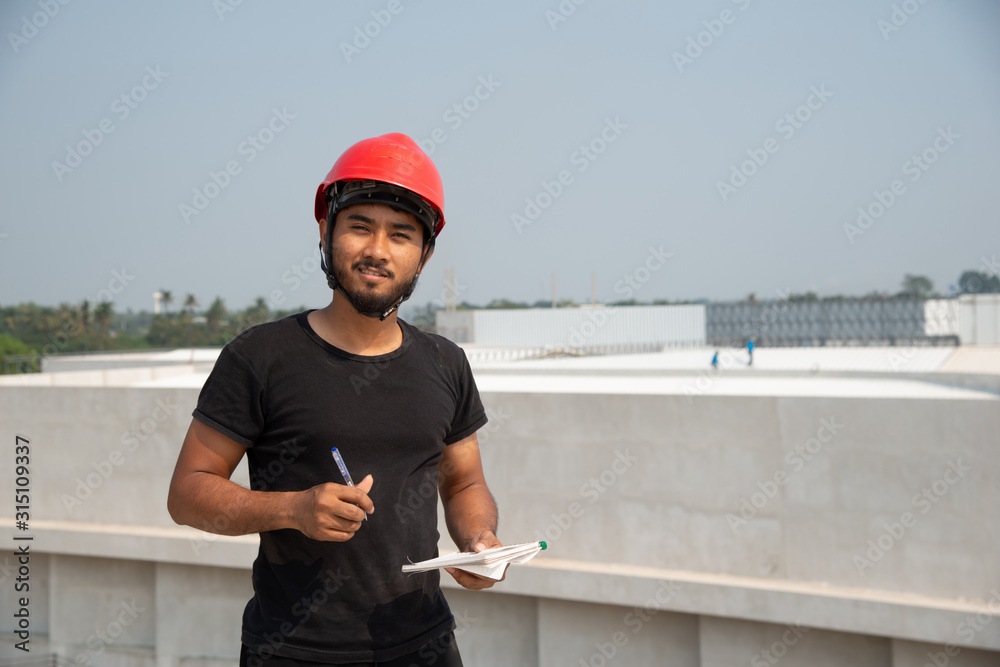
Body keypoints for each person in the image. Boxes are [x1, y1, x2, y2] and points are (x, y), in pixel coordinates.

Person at [167, 133, 501, 666]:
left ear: (424, 253)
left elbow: (464, 482)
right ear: (326, 230)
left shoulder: (445, 363)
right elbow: (187, 494)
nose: (377, 250)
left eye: (401, 234)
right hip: (294, 652)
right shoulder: (261, 356)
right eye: (360, 227)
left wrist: (480, 540)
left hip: (426, 646)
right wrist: (293, 508)